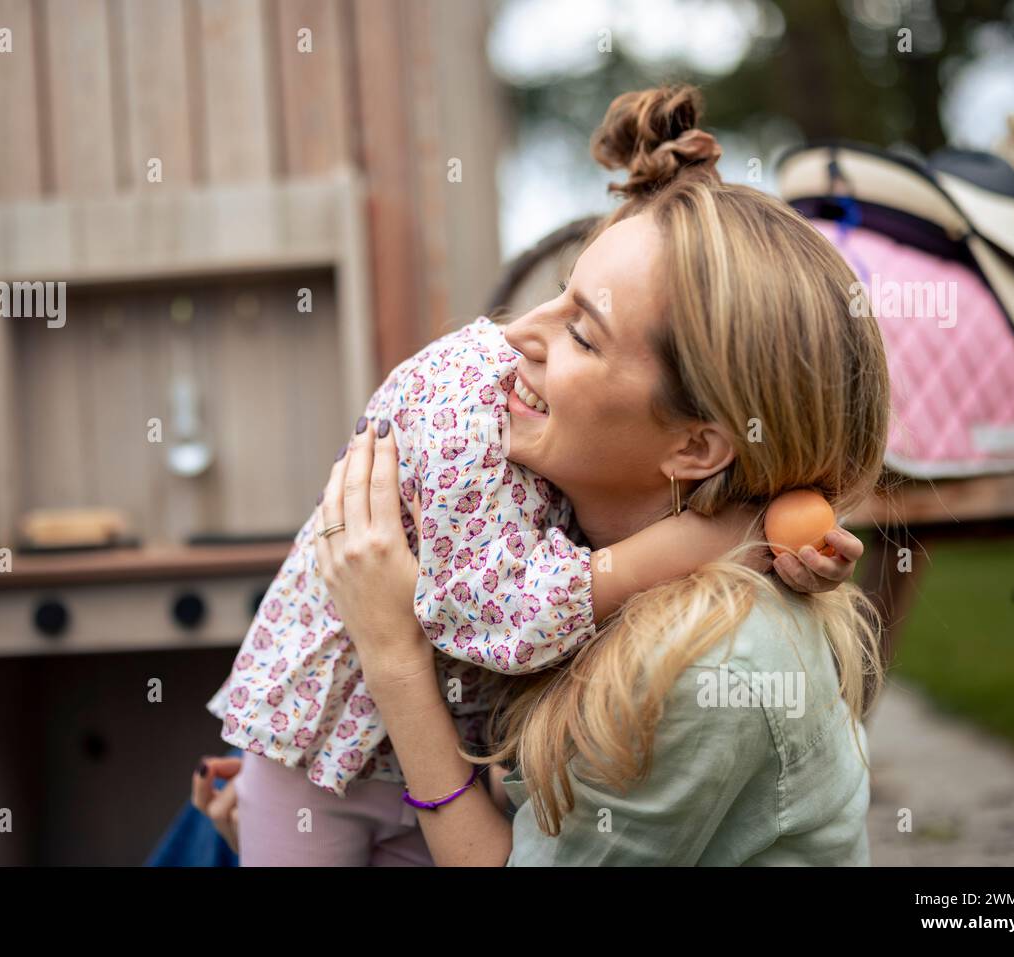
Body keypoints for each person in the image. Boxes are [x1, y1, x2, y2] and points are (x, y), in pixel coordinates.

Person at [301, 83, 890, 865]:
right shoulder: (570, 542)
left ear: (697, 447)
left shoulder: (705, 666)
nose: (515, 336)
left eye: (582, 334)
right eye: (559, 296)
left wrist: (392, 653)